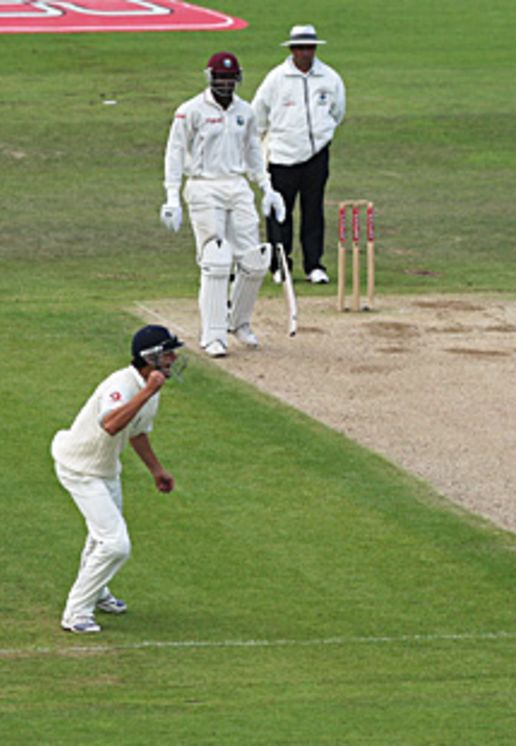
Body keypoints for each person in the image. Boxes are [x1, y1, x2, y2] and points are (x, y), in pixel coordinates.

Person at [52, 325, 183, 633]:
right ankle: (75, 613)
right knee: (115, 544)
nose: (174, 358)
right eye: (168, 353)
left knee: (101, 537)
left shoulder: (151, 387)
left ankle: (97, 593)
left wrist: (156, 470)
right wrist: (147, 391)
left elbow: (136, 432)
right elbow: (111, 424)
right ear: (149, 358)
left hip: (105, 468)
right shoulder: (122, 385)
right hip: (79, 468)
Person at [161, 51, 285, 358]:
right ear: (210, 78)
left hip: (238, 184)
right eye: (221, 78)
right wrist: (172, 196)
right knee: (216, 260)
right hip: (203, 186)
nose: (226, 84)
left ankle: (239, 323)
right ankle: (213, 334)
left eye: (230, 78)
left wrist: (268, 188)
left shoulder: (246, 111)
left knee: (254, 259)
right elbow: (175, 152)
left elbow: (254, 151)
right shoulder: (191, 110)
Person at [252, 24, 346, 285]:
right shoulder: (276, 79)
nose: (306, 53)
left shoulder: (329, 78)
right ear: (292, 50)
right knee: (280, 213)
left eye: (310, 47)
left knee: (313, 210)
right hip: (282, 157)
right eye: (301, 48)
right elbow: (258, 117)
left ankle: (314, 265)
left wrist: (320, 136)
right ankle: (280, 265)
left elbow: (337, 113)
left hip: (316, 156)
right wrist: (260, 152)